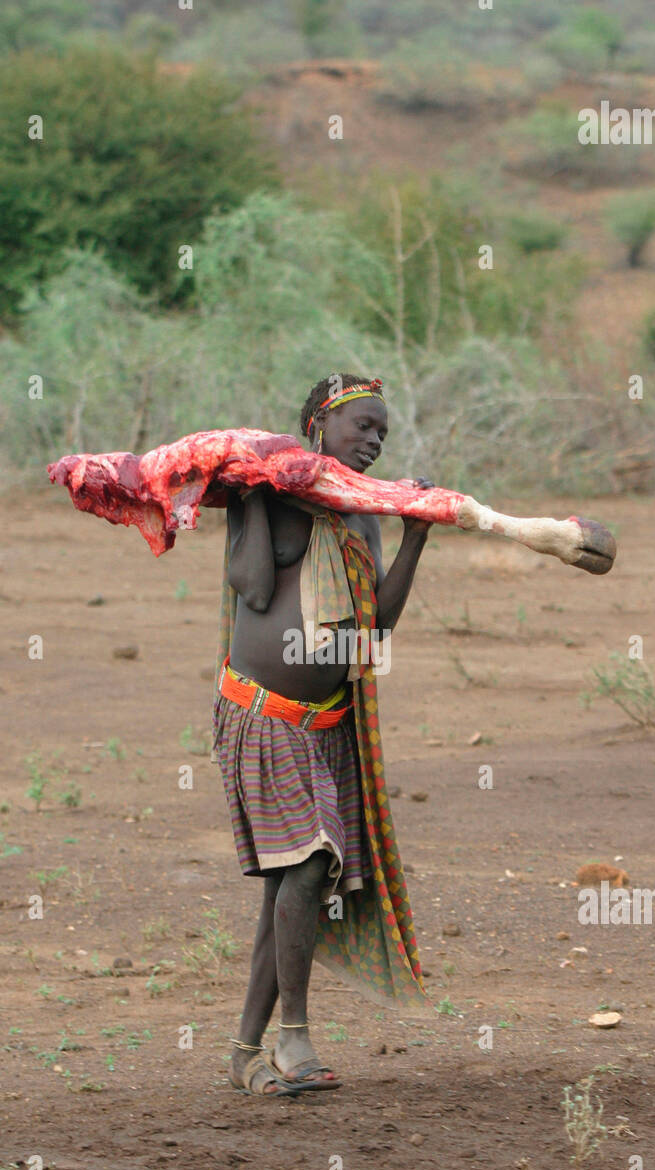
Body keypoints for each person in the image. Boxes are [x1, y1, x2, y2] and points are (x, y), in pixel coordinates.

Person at [212, 374, 431, 1096]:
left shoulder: (362, 518)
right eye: (360, 427)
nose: (371, 442)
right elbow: (250, 586)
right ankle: (294, 1039)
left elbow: (374, 632)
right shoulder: (268, 492)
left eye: (381, 435)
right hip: (264, 714)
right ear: (315, 427)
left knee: (290, 887)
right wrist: (253, 495)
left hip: (326, 725)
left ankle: (247, 1055)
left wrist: (413, 535)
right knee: (308, 867)